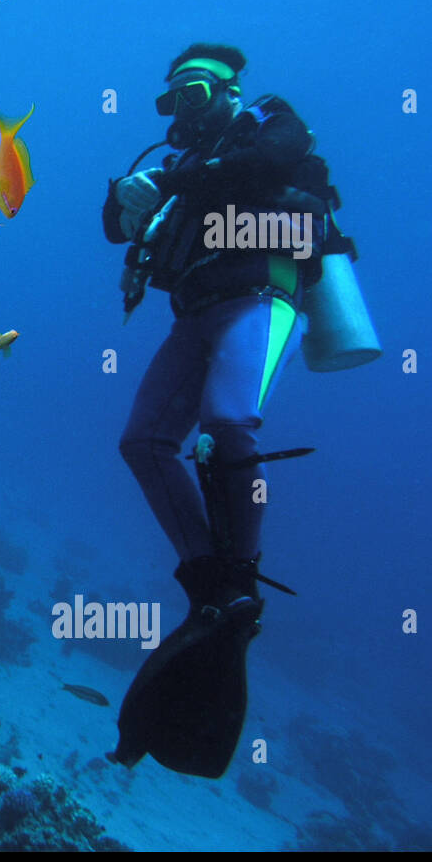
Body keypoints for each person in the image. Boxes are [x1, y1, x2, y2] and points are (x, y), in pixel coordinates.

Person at [101, 44, 334, 778]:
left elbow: (278, 164)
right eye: (175, 99)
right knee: (143, 441)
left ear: (232, 91)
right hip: (193, 312)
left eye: (198, 92)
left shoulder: (266, 125)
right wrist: (128, 196)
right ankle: (209, 583)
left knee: (228, 422)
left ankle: (242, 580)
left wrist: (176, 176)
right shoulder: (181, 170)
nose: (186, 110)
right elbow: (117, 226)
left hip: (262, 295)